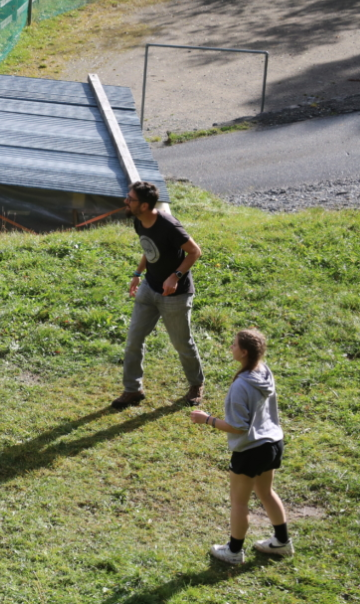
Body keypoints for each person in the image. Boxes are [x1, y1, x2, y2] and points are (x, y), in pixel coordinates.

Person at [190, 329, 293, 564]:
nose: (231, 348)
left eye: (234, 345)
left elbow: (238, 427)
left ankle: (234, 552)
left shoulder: (241, 386)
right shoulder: (263, 371)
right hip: (273, 443)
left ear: (244, 352)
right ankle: (282, 542)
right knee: (266, 492)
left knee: (239, 502)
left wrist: (206, 419)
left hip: (251, 450)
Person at [111, 180, 205, 410]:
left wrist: (175, 276)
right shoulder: (139, 221)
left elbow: (195, 251)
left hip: (175, 295)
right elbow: (149, 249)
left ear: (143, 205)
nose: (126, 200)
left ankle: (196, 384)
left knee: (182, 343)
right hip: (149, 287)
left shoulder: (168, 225)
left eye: (130, 199)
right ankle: (133, 390)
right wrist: (137, 273)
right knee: (134, 339)